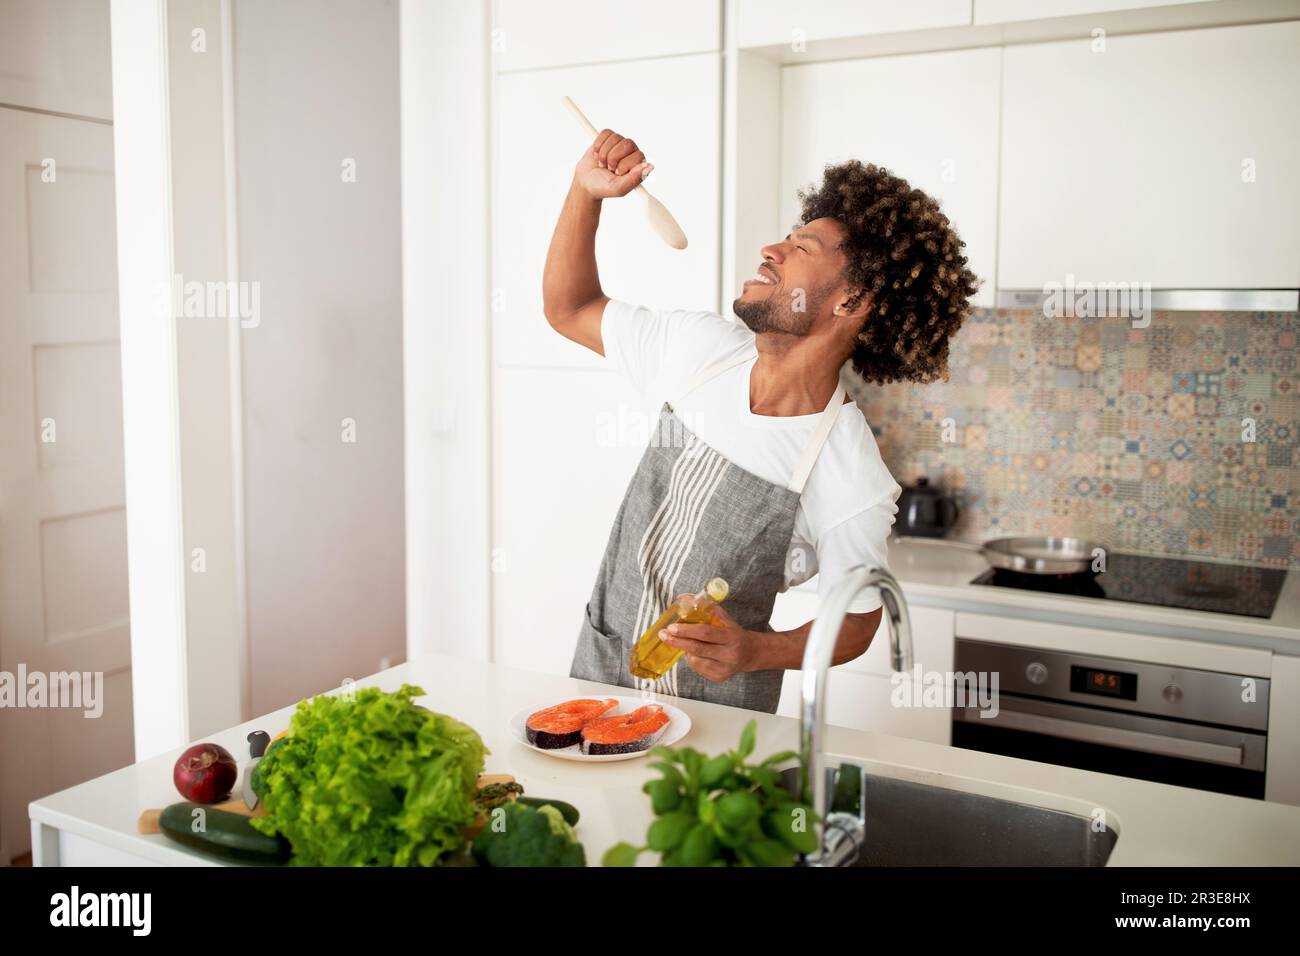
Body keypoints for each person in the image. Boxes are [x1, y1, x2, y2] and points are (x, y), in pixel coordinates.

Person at [543, 126, 979, 712]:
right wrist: (585, 193)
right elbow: (568, 308)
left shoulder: (849, 472)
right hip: (599, 677)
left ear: (851, 302)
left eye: (800, 248)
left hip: (713, 726)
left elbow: (855, 620)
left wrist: (752, 651)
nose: (769, 251)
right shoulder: (701, 350)